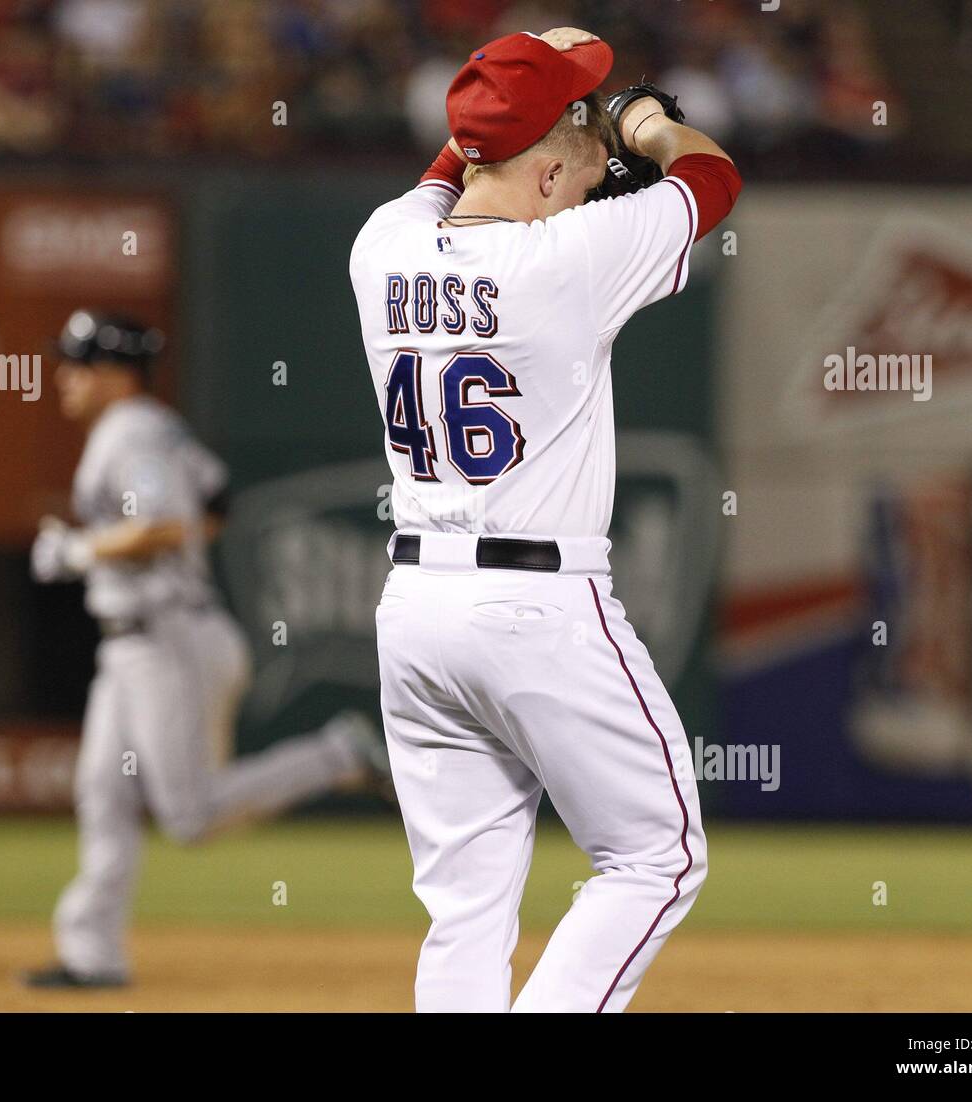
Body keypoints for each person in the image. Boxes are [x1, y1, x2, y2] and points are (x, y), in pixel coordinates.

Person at [349, 28, 741, 1011]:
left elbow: (456, 161)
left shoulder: (381, 245)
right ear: (549, 166)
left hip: (414, 612)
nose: (594, 166)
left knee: (465, 907)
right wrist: (649, 124)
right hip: (536, 605)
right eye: (581, 147)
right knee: (658, 855)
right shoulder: (566, 257)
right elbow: (712, 182)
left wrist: (516, 81)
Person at [24, 309, 386, 988]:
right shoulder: (157, 430)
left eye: (77, 364)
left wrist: (78, 549)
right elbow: (217, 499)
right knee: (102, 790)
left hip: (169, 639)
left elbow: (166, 523)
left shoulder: (129, 433)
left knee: (190, 817)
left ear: (113, 372)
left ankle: (335, 755)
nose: (64, 378)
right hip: (137, 642)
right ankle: (92, 954)